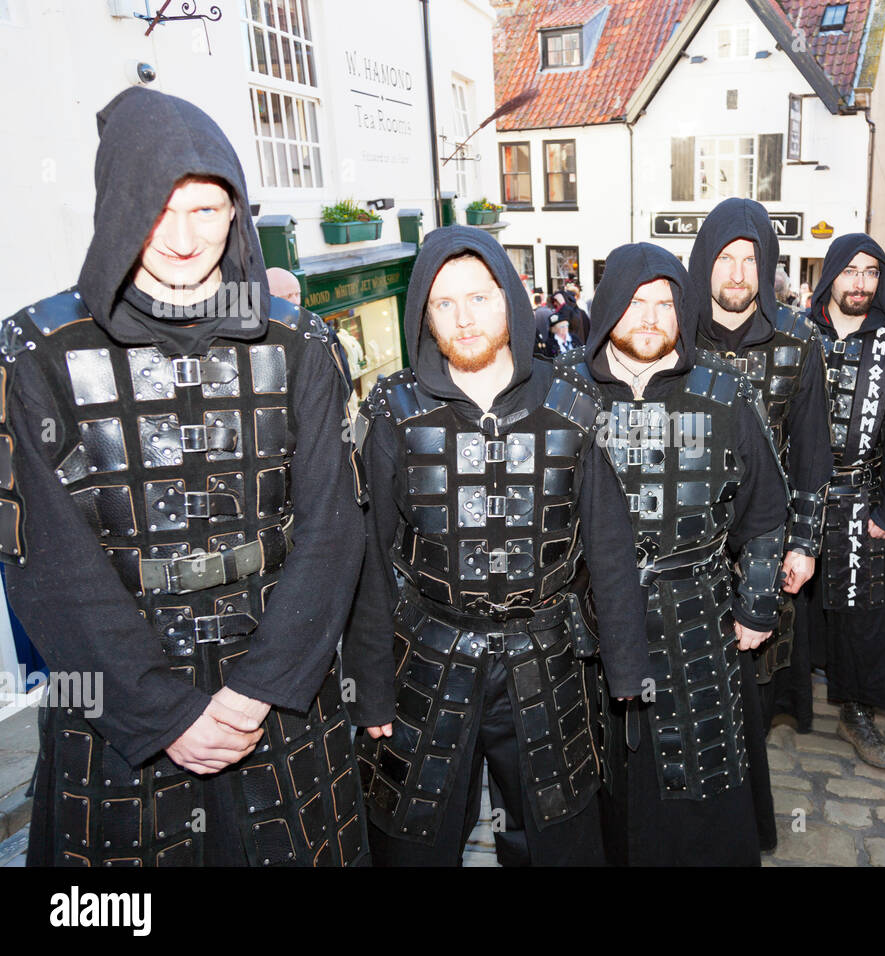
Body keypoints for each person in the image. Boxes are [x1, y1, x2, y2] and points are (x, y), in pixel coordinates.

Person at [1, 87, 367, 866]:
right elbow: (46, 567)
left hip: (281, 703)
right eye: (156, 208)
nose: (181, 236)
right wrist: (162, 712)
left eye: (205, 209)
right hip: (113, 716)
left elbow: (333, 533)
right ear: (113, 207)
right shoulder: (33, 355)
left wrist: (256, 689)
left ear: (236, 212)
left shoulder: (304, 344)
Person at [343, 227, 648, 866]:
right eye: (444, 303)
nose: (465, 318)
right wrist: (369, 685)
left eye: (479, 299)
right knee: (413, 842)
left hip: (549, 660)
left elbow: (610, 547)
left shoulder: (573, 404)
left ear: (509, 299)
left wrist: (624, 665)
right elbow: (369, 555)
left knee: (560, 844)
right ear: (424, 316)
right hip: (426, 658)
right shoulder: (394, 411)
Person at [561, 242, 788, 866]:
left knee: (703, 779)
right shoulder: (561, 394)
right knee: (599, 775)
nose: (652, 317)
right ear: (608, 307)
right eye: (637, 302)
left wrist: (757, 605)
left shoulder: (724, 390)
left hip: (699, 617)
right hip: (589, 619)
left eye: (666, 303)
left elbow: (766, 508)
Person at [687, 198, 833, 848]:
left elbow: (812, 453)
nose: (740, 272)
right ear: (706, 263)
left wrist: (804, 542)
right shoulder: (673, 337)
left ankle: (742, 823)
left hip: (762, 553)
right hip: (685, 550)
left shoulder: (800, 342)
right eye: (728, 257)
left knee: (750, 691)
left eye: (752, 259)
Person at [802, 236, 885, 769]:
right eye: (850, 271)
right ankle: (780, 707)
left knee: (862, 616)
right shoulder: (800, 335)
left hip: (863, 500)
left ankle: (858, 712)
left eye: (871, 273)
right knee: (790, 608)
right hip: (798, 499)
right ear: (831, 275)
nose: (860, 283)